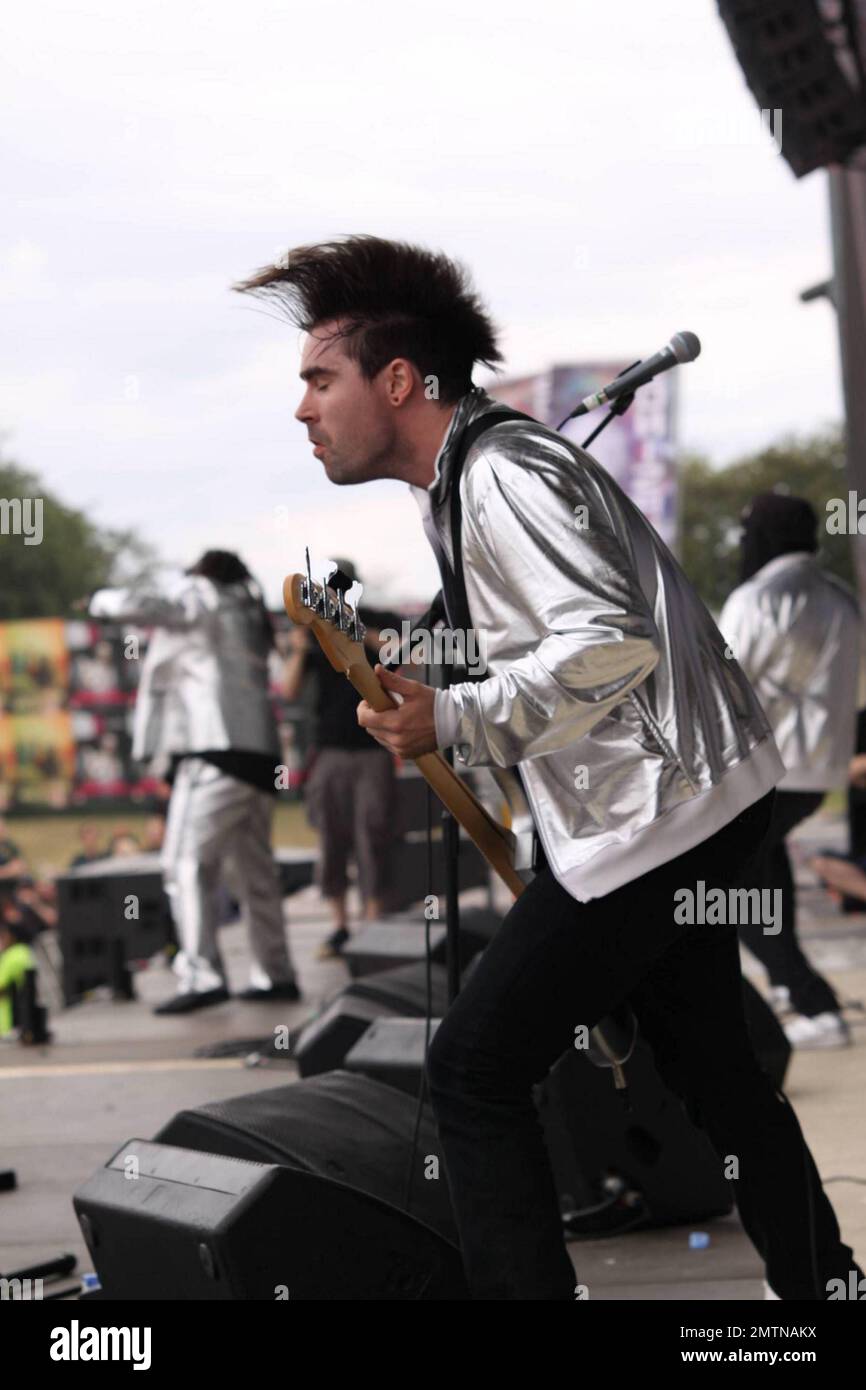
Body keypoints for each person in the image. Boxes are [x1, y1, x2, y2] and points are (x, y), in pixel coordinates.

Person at [233, 234, 863, 1303]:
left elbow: (609, 644)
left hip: (651, 823)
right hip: (692, 807)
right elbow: (529, 627)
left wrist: (458, 716)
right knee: (715, 1074)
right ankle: (828, 1287)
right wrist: (431, 662)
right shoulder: (471, 478)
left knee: (471, 1071)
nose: (303, 408)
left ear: (397, 380)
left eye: (318, 379)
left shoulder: (503, 476)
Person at [89, 551, 300, 1014]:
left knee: (185, 865)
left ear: (201, 575)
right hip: (259, 757)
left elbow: (147, 605)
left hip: (214, 752)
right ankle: (275, 973)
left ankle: (202, 974)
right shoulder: (248, 609)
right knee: (255, 873)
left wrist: (99, 599)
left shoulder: (199, 596)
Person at [719, 494, 864, 1050]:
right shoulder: (842, 598)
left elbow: (725, 684)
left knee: (729, 890)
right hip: (818, 772)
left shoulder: (755, 598)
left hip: (764, 769)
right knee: (764, 874)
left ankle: (816, 1005)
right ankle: (791, 986)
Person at [283, 559, 398, 958]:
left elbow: (402, 654)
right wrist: (301, 644)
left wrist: (353, 627)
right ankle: (340, 927)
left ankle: (374, 923)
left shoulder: (378, 620)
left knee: (374, 834)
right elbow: (288, 690)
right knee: (331, 838)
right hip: (330, 749)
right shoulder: (313, 632)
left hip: (374, 747)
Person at [0, 912, 36, 1037]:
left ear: (12, 936)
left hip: (5, 1024)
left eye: (3, 935)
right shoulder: (24, 952)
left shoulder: (12, 956)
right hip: (22, 1021)